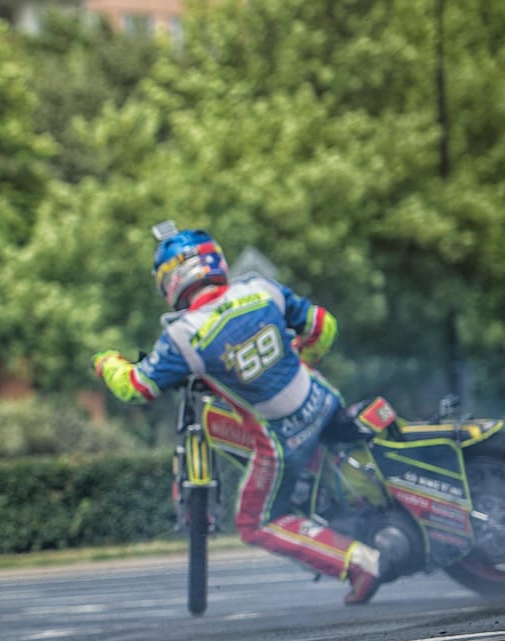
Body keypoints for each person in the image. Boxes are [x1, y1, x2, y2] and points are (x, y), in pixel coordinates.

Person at [92, 221, 388, 605]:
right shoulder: (260, 289)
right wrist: (302, 357)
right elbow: (322, 326)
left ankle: (358, 562)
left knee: (254, 522)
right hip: (324, 400)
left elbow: (137, 387)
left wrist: (106, 361)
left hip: (285, 440)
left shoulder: (184, 334)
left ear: (173, 278)